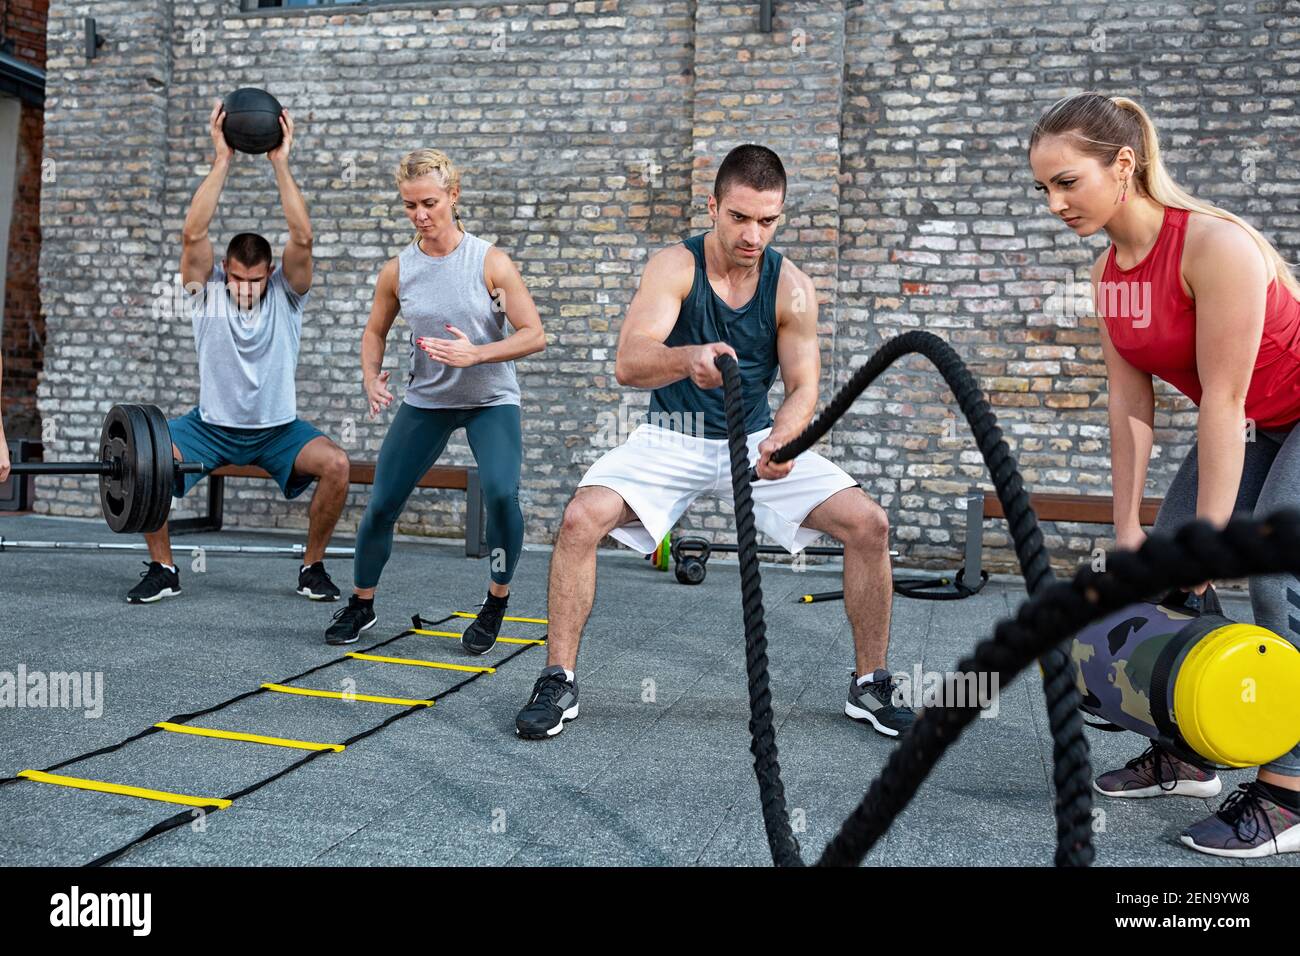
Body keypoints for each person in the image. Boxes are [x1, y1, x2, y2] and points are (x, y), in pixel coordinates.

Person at [514, 144, 917, 740]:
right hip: (672, 435)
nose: (753, 234)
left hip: (754, 437)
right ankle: (559, 677)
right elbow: (629, 361)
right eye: (740, 217)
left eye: (767, 220)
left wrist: (785, 438)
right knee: (580, 519)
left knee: (870, 524)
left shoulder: (792, 287)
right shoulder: (674, 267)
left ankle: (869, 684)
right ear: (714, 207)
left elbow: (804, 385)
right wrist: (686, 358)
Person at [1029, 91, 1300, 858]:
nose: (1055, 203)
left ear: (1124, 165)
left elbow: (1224, 402)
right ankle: (1191, 750)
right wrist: (1129, 529)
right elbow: (1130, 406)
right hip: (1258, 421)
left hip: (1272, 412)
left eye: (1067, 182)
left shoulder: (1215, 248)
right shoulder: (1110, 271)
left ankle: (1291, 791)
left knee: (1275, 574)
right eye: (1043, 188)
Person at [131, 101, 350, 605]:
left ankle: (312, 568)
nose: (246, 288)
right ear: (223, 272)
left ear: (269, 274)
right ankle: (164, 568)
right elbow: (192, 234)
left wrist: (280, 161)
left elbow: (304, 237)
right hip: (210, 428)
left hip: (278, 430)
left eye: (255, 280)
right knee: (149, 460)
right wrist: (222, 160)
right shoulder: (203, 291)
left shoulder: (287, 293)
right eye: (237, 279)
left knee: (336, 463)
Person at [324, 148, 545, 647]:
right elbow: (374, 331)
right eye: (409, 206)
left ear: (453, 195)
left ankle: (495, 603)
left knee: (502, 495)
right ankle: (361, 604)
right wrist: (370, 376)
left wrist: (479, 354)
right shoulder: (399, 271)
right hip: (427, 399)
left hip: (490, 399)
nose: (420, 216)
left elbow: (534, 334)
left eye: (429, 203)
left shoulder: (490, 263)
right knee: (381, 504)